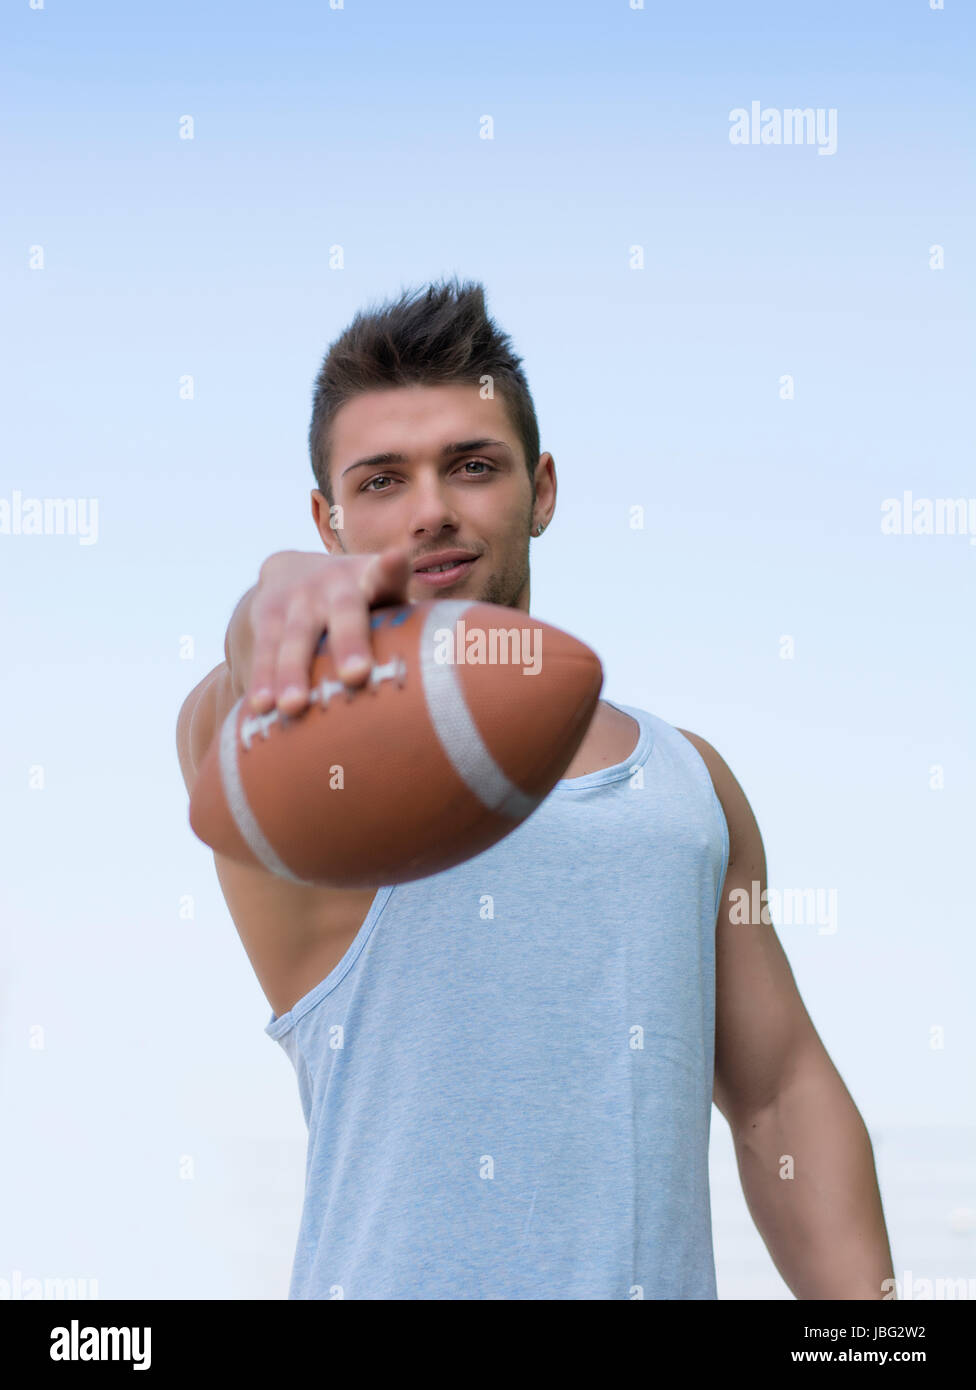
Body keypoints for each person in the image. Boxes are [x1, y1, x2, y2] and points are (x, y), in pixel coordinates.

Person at [176, 277, 894, 1300]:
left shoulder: (689, 782)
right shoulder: (302, 768)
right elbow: (226, 705)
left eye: (471, 466)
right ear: (326, 522)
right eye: (380, 481)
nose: (431, 511)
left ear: (541, 489)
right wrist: (266, 602)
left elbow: (781, 1092)